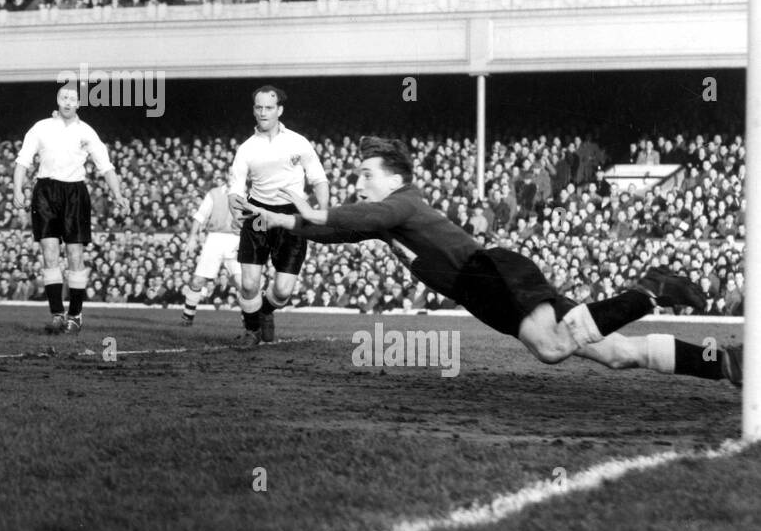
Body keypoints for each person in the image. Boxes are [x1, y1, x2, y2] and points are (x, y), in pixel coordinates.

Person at [251, 136, 742, 385]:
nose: (357, 183)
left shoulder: (401, 202)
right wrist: (287, 223)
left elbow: (349, 217)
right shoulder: (390, 214)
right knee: (617, 355)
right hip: (489, 281)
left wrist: (290, 219)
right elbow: (345, 229)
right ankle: (721, 364)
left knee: (551, 349)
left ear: (394, 177)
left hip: (488, 276)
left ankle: (650, 289)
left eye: (364, 174)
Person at [12, 86, 129, 334]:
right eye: (64, 98)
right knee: (49, 251)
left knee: (75, 254)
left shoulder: (86, 132)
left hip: (75, 193)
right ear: (58, 100)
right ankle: (57, 314)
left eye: (72, 99)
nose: (68, 102)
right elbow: (23, 160)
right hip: (45, 191)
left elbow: (105, 166)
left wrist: (117, 194)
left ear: (78, 103)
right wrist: (17, 190)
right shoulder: (41, 127)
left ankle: (75, 315)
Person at [227, 85, 329, 345]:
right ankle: (252, 331)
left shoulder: (298, 142)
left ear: (279, 110)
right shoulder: (246, 148)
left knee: (282, 292)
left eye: (269, 107)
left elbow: (319, 180)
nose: (263, 112)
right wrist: (234, 207)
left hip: (292, 217)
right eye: (258, 107)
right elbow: (235, 188)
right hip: (258, 213)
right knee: (249, 284)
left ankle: (265, 311)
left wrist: (322, 212)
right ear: (254, 110)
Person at [179, 176, 240, 326]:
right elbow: (200, 216)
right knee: (198, 280)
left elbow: (258, 219)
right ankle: (187, 318)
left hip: (238, 239)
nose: (235, 177)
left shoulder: (248, 194)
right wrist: (192, 238)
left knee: (243, 283)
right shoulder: (215, 193)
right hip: (215, 239)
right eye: (232, 174)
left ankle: (250, 325)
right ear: (228, 177)